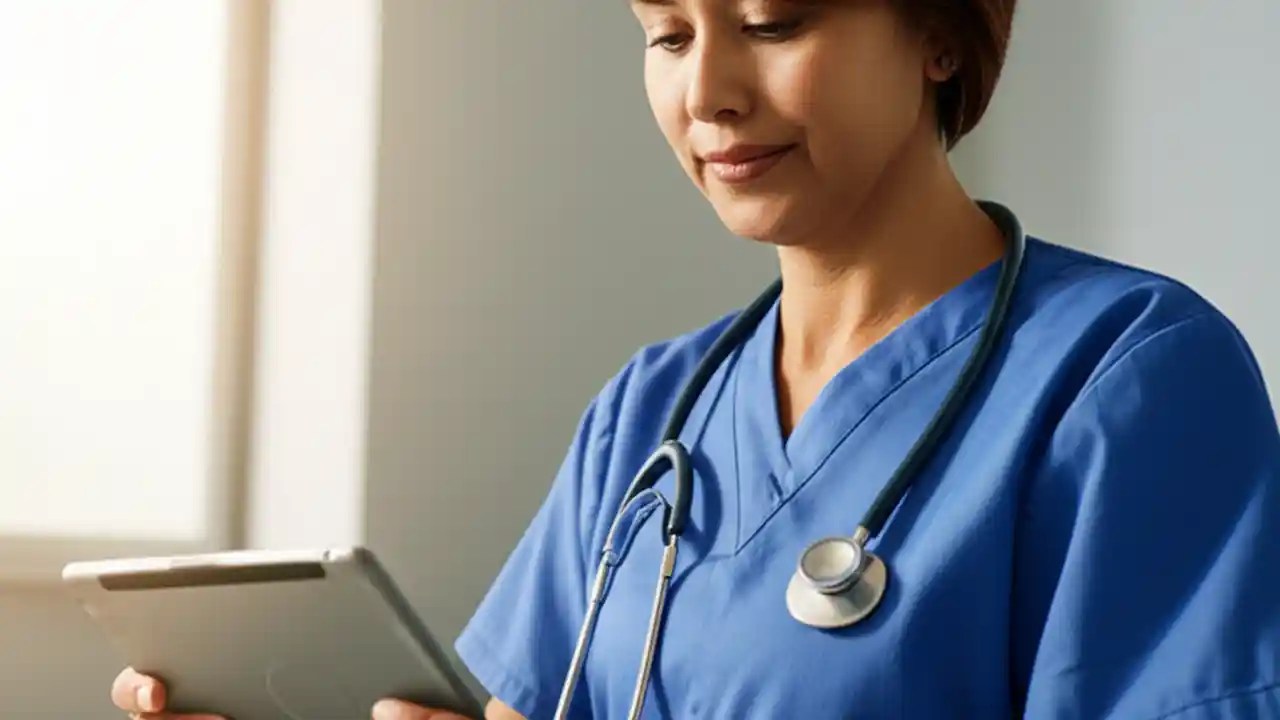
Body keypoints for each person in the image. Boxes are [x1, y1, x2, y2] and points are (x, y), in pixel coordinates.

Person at [112, 0, 1280, 718]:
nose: (707, 93)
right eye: (665, 32)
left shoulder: (1129, 379)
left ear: (935, 31)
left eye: (772, 24)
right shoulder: (649, 414)